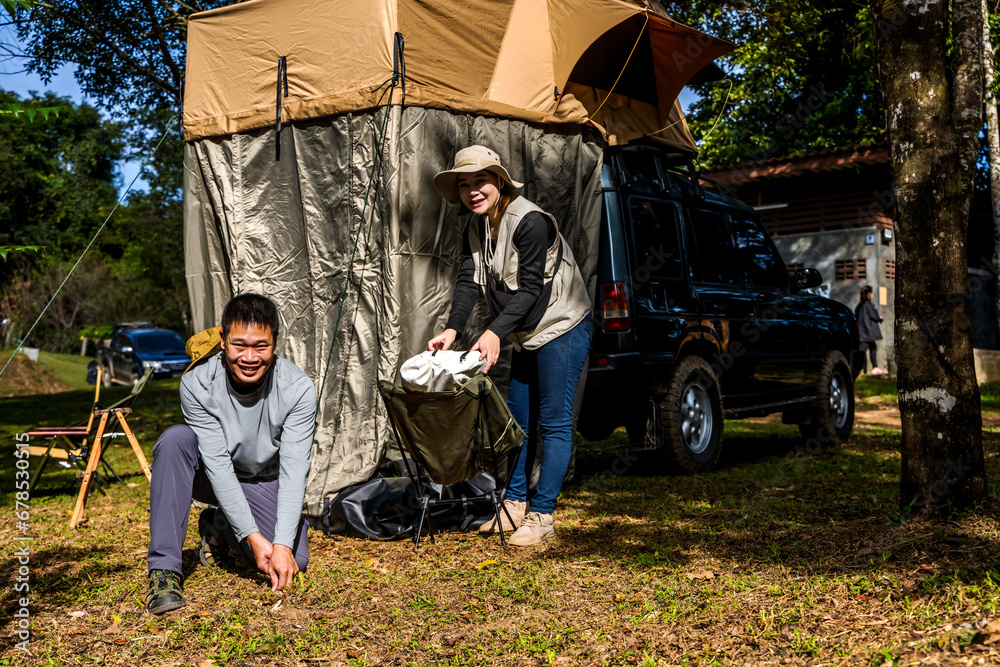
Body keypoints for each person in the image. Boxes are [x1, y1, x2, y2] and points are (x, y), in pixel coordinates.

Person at [427, 145, 592, 547]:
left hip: (560, 326)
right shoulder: (476, 227)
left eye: (480, 181)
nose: (472, 191)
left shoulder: (530, 221)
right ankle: (515, 502)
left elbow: (532, 288)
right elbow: (468, 282)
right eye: (463, 185)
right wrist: (453, 330)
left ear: (500, 181)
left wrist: (495, 332)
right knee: (518, 423)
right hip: (524, 332)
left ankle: (542, 514)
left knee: (552, 422)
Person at [145, 293, 316, 614]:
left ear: (275, 342)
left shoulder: (299, 389)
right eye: (240, 345)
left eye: (260, 346)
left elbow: (295, 472)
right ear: (223, 340)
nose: (250, 357)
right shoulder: (197, 382)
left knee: (296, 561)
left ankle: (219, 523)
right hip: (211, 474)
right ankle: (164, 570)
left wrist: (280, 544)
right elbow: (218, 465)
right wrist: (251, 535)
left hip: (261, 480)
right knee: (175, 439)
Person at [855, 284, 885, 375]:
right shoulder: (869, 304)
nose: (872, 295)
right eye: (871, 293)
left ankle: (874, 367)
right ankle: (856, 368)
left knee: (872, 347)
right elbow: (875, 316)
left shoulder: (859, 306)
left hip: (862, 332)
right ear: (869, 293)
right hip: (867, 332)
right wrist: (880, 318)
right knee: (862, 350)